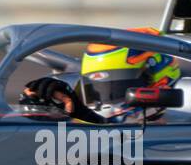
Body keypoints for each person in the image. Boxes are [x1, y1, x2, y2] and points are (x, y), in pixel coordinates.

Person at [22, 43, 182, 123]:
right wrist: (38, 110)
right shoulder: (99, 122)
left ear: (159, 83)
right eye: (97, 89)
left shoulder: (182, 126)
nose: (105, 104)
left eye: (117, 88)